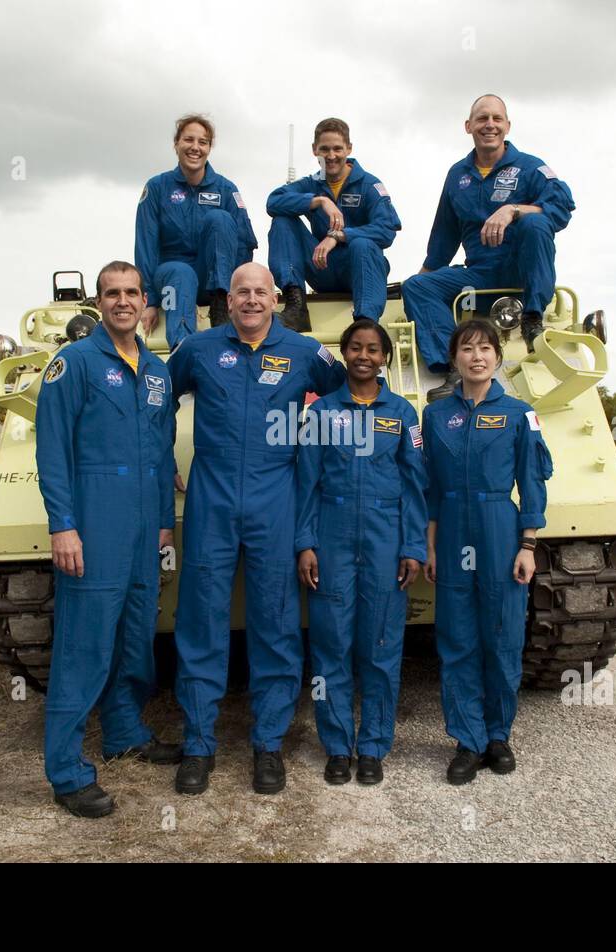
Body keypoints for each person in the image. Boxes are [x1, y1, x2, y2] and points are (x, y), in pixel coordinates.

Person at [167, 262, 346, 796]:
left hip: (276, 496)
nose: (250, 300)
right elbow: (153, 400)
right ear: (228, 298)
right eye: (241, 292)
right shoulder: (197, 350)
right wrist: (159, 455)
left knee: (276, 620)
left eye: (259, 292)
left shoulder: (303, 351)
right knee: (202, 618)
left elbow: (345, 395)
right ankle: (198, 744)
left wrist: (330, 464)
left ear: (275, 299)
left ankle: (268, 743)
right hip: (212, 495)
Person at [34, 261, 182, 818]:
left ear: (146, 301)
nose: (123, 301)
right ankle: (68, 772)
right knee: (85, 647)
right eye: (112, 293)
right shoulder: (72, 364)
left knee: (136, 637)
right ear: (98, 302)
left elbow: (163, 450)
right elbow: (52, 451)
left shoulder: (157, 372)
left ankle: (125, 731)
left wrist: (165, 520)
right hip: (94, 523)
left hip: (145, 525)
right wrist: (62, 525)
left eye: (132, 293)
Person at [421, 318, 554, 785]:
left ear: (498, 357)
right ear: (454, 358)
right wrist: (431, 545)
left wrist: (528, 544)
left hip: (500, 526)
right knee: (457, 640)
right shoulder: (435, 415)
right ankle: (467, 739)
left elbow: (532, 482)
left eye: (485, 348)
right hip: (454, 529)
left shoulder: (522, 413)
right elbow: (431, 487)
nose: (476, 357)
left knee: (502, 639)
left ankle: (498, 735)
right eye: (466, 349)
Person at [295, 319, 427, 785]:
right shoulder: (321, 412)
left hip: (385, 540)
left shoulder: (403, 414)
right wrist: (305, 543)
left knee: (380, 648)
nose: (363, 356)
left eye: (373, 348)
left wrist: (412, 545)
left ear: (385, 357)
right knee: (330, 646)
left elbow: (415, 484)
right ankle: (336, 746)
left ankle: (372, 747)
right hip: (330, 539)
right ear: (345, 354)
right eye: (355, 348)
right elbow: (306, 483)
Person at [402, 94, 575, 400]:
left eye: (496, 118)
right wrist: (418, 281)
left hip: (522, 274)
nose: (489, 125)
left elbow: (562, 208)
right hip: (481, 275)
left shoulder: (531, 167)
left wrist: (515, 210)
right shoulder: (458, 175)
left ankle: (532, 322)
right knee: (416, 286)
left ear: (507, 126)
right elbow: (443, 236)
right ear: (468, 126)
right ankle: (453, 369)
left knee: (536, 223)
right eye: (482, 119)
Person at [265, 118, 401, 331]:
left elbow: (387, 230)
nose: (331, 156)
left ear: (349, 148)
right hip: (323, 268)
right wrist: (318, 201)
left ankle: (365, 324)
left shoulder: (370, 185)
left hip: (361, 271)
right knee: (282, 220)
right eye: (324, 149)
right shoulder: (311, 184)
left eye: (337, 148)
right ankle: (296, 306)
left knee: (362, 245)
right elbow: (273, 201)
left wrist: (339, 235)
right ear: (314, 150)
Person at [135, 114, 257, 349]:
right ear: (176, 144)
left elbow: (244, 241)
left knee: (219, 218)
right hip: (172, 274)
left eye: (202, 142)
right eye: (188, 140)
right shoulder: (157, 188)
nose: (195, 147)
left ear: (209, 148)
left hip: (215, 279)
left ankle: (222, 306)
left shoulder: (226, 189)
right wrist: (148, 300)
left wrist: (239, 292)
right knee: (181, 272)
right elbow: (145, 244)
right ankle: (183, 350)